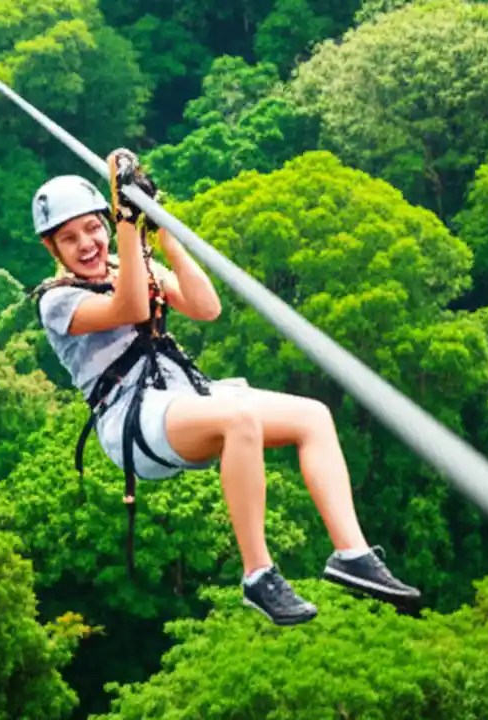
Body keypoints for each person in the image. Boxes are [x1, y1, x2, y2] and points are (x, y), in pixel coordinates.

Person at [30, 149, 420, 625]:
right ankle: (259, 575)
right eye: (70, 239)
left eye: (94, 228)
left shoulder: (128, 264)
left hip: (182, 397)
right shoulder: (58, 301)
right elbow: (130, 308)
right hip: (134, 420)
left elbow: (206, 306)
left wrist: (163, 231)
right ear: (53, 249)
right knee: (240, 420)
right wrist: (129, 225)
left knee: (312, 416)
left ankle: (351, 554)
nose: (87, 243)